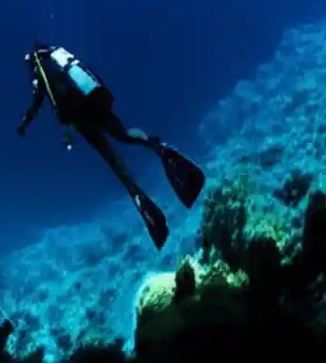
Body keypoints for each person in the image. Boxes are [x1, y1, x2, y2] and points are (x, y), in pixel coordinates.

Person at [18, 42, 206, 250]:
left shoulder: (39, 75)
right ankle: (159, 147)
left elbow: (37, 103)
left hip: (82, 121)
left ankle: (134, 191)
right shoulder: (62, 60)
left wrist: (25, 122)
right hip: (94, 104)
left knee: (112, 159)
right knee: (124, 135)